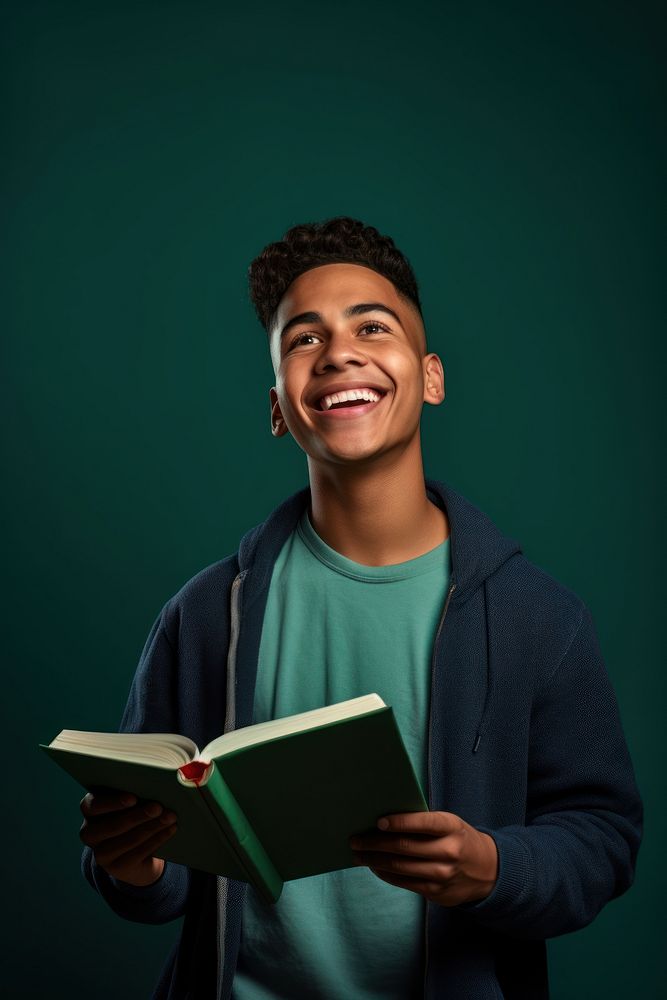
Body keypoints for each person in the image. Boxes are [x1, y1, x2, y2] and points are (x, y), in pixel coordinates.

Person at [80, 216, 643, 1000]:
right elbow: (160, 876)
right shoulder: (205, 614)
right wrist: (131, 864)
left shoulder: (537, 618)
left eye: (371, 327)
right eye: (303, 340)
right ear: (279, 405)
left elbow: (603, 838)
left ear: (431, 376)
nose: (339, 351)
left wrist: (492, 867)